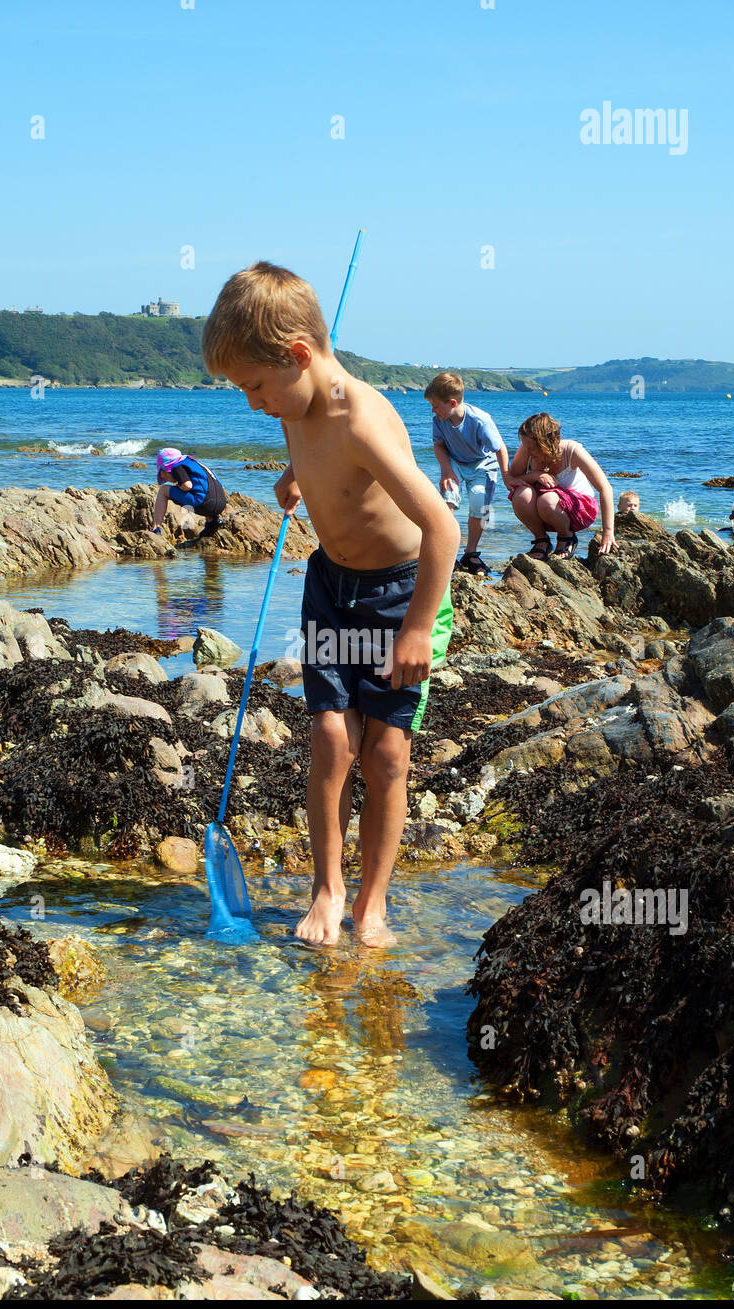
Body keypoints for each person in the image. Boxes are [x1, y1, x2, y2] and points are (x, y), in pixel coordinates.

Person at [201, 262, 459, 949]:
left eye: (254, 386)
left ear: (299, 356)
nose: (253, 403)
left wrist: (416, 628)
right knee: (330, 739)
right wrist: (293, 480)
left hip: (401, 596)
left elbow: (443, 529)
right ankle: (328, 889)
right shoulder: (295, 403)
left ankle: (371, 905)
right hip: (330, 590)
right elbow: (313, 456)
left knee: (386, 757)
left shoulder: (360, 420)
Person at [424, 371, 509, 576]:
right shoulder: (440, 420)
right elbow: (439, 446)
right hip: (455, 462)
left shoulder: (480, 420)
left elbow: (499, 448)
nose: (433, 411)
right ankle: (447, 552)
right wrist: (446, 470)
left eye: (435, 406)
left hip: (482, 465)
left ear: (452, 402)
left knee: (480, 506)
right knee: (448, 497)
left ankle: (471, 553)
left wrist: (507, 476)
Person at [507, 412, 616, 559]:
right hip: (545, 511)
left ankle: (566, 537)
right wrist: (535, 475)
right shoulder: (526, 449)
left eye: (532, 447)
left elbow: (605, 488)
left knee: (547, 500)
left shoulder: (572, 451)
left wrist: (608, 532)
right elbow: (512, 480)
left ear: (546, 444)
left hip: (578, 510)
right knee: (521, 495)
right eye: (525, 445)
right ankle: (541, 540)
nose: (528, 451)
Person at [151, 447, 227, 539]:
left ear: (166, 469)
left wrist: (178, 487)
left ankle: (156, 528)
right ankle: (212, 523)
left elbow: (187, 485)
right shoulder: (195, 464)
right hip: (221, 503)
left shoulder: (176, 467)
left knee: (163, 490)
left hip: (203, 503)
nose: (165, 479)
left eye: (162, 474)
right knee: (202, 492)